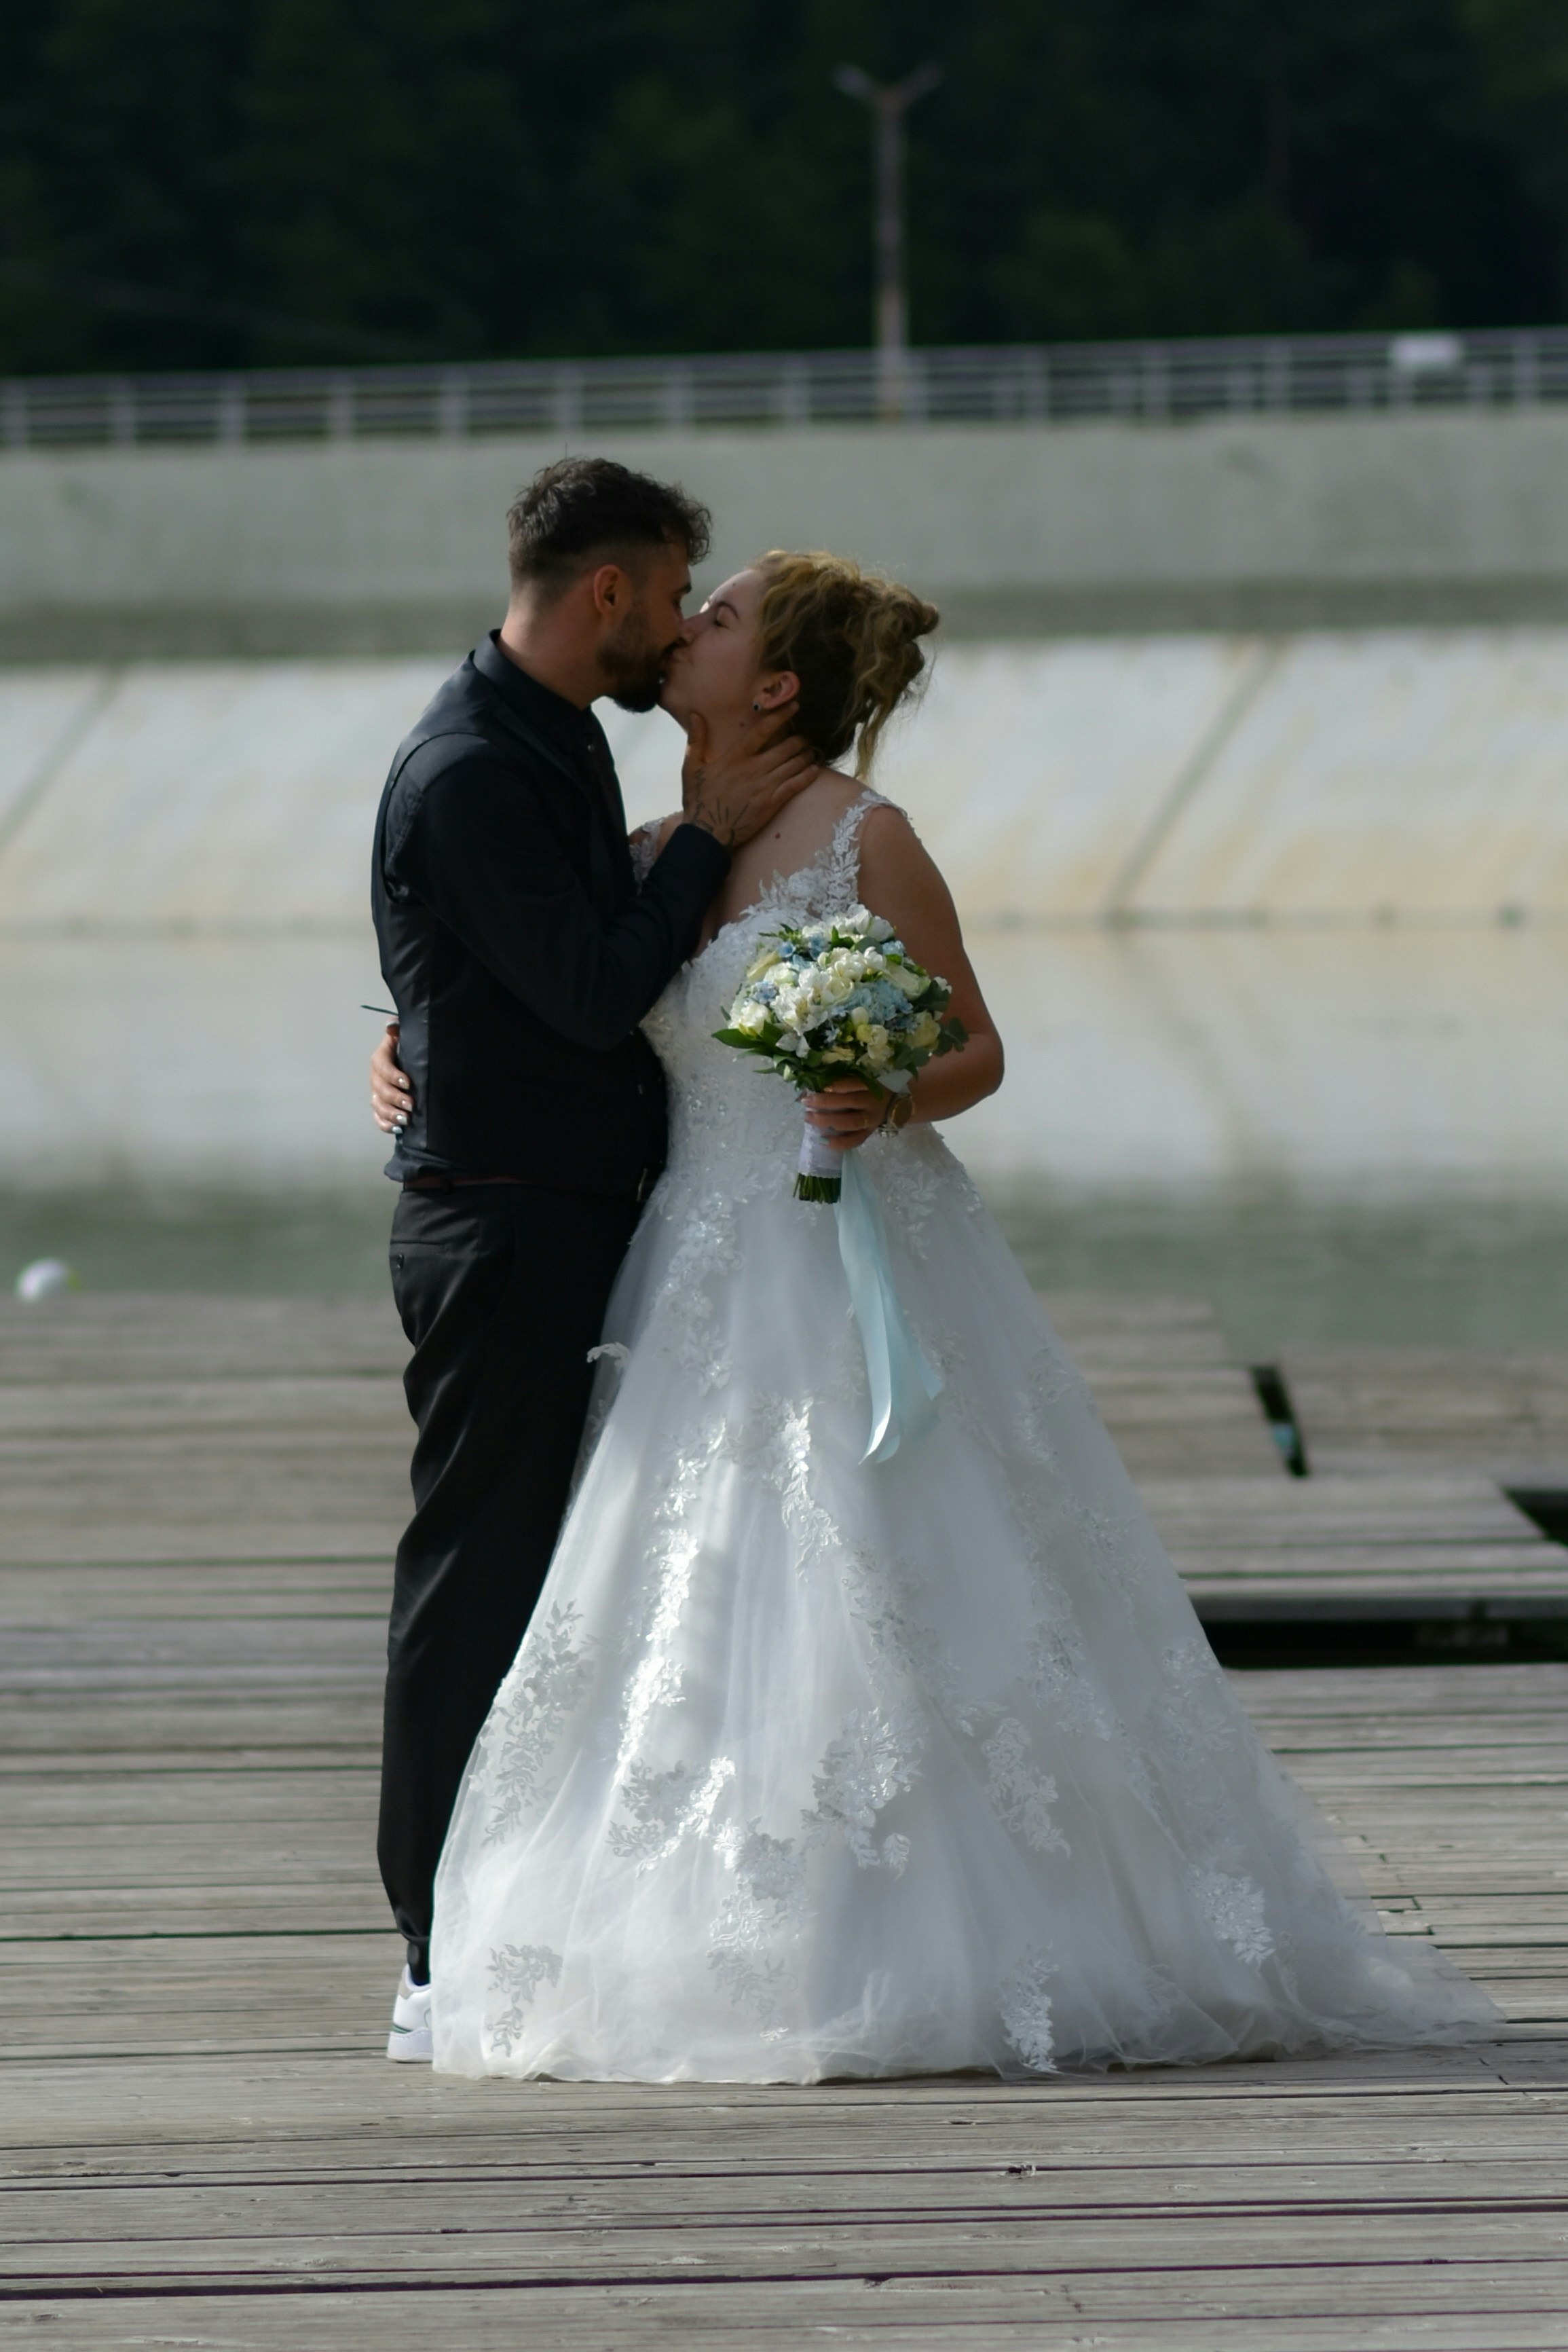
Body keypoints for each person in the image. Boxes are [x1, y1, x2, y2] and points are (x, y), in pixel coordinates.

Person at [376, 551, 1495, 2084]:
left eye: (716, 621)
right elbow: (546, 997)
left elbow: (976, 1044)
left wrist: (889, 1087)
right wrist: (406, 1057)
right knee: (699, 1587)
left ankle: (944, 1927)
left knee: (886, 1560)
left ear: (775, 684)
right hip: (695, 1264)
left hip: (851, 1243)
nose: (684, 631)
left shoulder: (866, 839)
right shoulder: (652, 853)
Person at [368, 458, 817, 2063]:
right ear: (607, 594)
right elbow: (583, 986)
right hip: (504, 1224)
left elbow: (477, 970)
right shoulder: (471, 765)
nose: (677, 632)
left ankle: (524, 1900)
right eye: (671, 598)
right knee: (479, 1572)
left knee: (574, 1578)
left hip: (583, 1209)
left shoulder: (543, 737)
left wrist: (409, 1037)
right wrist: (704, 840)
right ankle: (430, 1943)